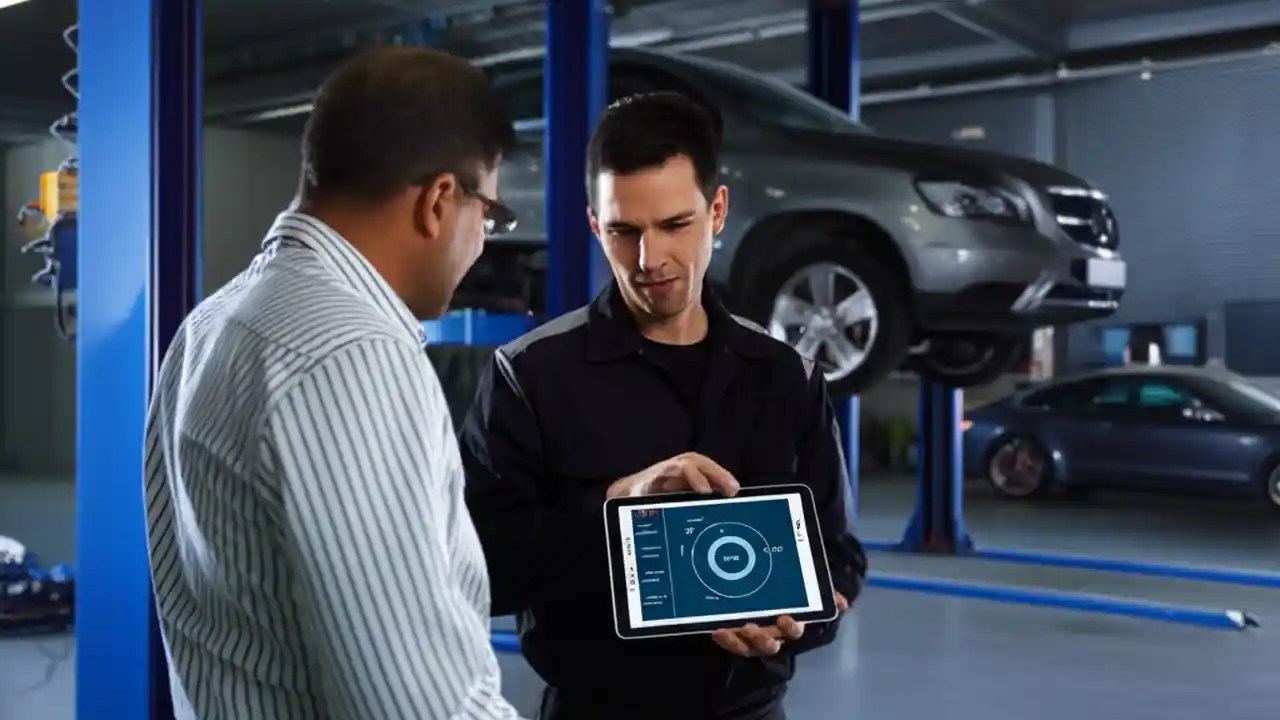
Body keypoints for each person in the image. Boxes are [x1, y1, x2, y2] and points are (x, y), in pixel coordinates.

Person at [142, 46, 530, 719]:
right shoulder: (353, 354)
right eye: (488, 215)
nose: (480, 241)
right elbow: (412, 704)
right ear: (439, 200)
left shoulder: (212, 324)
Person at [459, 91, 868, 720]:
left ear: (718, 211)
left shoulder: (786, 377)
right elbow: (481, 571)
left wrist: (790, 625)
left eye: (675, 225)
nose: (650, 261)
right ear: (596, 225)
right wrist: (617, 503)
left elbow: (837, 557)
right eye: (625, 232)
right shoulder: (530, 377)